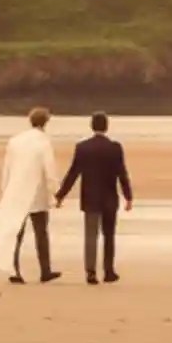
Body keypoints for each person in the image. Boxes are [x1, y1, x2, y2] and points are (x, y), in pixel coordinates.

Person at [0, 107, 63, 284]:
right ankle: (45, 271)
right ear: (46, 122)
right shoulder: (44, 142)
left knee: (16, 233)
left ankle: (14, 270)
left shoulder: (15, 141)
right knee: (41, 233)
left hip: (16, 192)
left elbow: (7, 168)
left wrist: (5, 189)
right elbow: (49, 170)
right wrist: (56, 192)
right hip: (37, 193)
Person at [55, 112, 133, 285]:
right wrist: (128, 196)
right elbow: (122, 173)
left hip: (90, 197)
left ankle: (90, 272)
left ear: (92, 126)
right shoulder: (115, 147)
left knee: (91, 235)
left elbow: (73, 173)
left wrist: (61, 195)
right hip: (110, 198)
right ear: (106, 126)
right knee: (109, 235)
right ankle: (108, 271)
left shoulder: (83, 147)